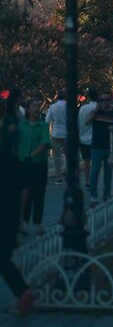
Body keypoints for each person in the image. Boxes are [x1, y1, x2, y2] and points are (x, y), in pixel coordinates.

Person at [0, 146, 35, 316]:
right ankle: (22, 291)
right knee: (3, 258)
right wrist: (20, 217)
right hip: (10, 216)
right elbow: (24, 189)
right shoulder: (12, 160)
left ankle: (22, 291)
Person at [18, 98, 50, 235]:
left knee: (39, 193)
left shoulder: (43, 125)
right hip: (24, 164)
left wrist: (32, 155)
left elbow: (45, 143)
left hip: (39, 164)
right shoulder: (22, 126)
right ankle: (24, 221)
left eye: (38, 106)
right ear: (28, 109)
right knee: (26, 193)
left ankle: (38, 222)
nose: (37, 108)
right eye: (34, 106)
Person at [87, 94, 113, 205]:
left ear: (110, 101)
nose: (104, 102)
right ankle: (93, 195)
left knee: (108, 173)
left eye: (107, 100)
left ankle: (106, 193)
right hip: (97, 147)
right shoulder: (96, 114)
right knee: (95, 171)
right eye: (101, 100)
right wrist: (95, 111)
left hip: (109, 148)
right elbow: (86, 122)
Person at [46, 91, 67, 183]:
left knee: (56, 156)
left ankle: (58, 177)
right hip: (67, 133)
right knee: (68, 155)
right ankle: (67, 171)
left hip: (56, 133)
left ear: (57, 97)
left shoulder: (53, 107)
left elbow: (47, 120)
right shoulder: (69, 106)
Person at [78, 88, 98, 186]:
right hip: (96, 138)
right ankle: (94, 179)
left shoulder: (83, 109)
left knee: (86, 161)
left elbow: (79, 123)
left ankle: (87, 180)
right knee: (95, 161)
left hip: (84, 138)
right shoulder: (98, 108)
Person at [1, 89, 24, 157]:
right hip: (12, 148)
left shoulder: (21, 112)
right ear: (17, 99)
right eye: (21, 97)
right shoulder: (8, 116)